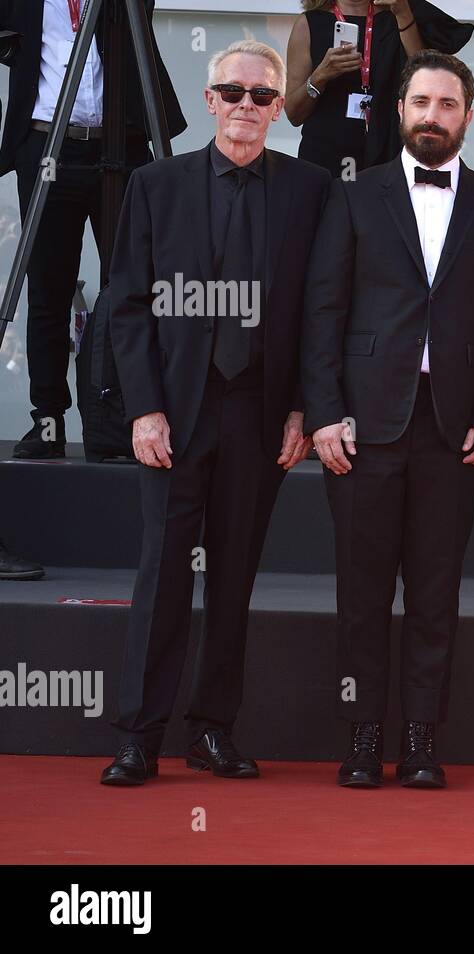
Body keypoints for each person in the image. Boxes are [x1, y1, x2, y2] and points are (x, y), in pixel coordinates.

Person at [101, 40, 331, 786]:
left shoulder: (310, 190)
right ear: (209, 102)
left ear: (278, 107)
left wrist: (303, 405)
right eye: (232, 92)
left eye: (263, 96)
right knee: (163, 574)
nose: (246, 106)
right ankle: (139, 735)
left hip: (257, 413)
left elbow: (316, 313)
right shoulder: (154, 185)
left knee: (233, 579)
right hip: (175, 412)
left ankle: (211, 730)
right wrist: (144, 411)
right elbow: (127, 307)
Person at [302, 51, 474, 789]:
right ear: (400, 111)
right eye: (421, 103)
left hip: (453, 432)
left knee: (436, 593)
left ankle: (422, 742)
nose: (433, 116)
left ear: (468, 115)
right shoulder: (353, 196)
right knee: (362, 591)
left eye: (448, 105)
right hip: (363, 428)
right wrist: (327, 413)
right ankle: (364, 737)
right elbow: (323, 313)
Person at [0, 0, 186, 460]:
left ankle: (119, 419)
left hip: (119, 146)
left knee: (128, 291)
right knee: (47, 289)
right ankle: (47, 420)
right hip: (47, 143)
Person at [284, 0, 471, 177]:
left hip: (387, 151)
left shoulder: (396, 14)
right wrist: (320, 77)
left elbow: (424, 79)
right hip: (326, 159)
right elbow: (294, 113)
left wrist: (404, 14)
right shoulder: (309, 23)